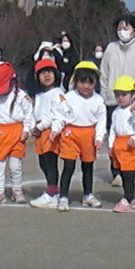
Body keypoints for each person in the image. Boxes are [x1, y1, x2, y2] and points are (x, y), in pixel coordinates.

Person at [51, 61, 107, 211]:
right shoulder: (68, 97)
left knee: (87, 166)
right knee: (68, 166)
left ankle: (88, 194)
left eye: (90, 82)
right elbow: (60, 115)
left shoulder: (98, 100)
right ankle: (63, 196)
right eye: (82, 82)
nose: (86, 86)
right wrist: (56, 129)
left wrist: (99, 137)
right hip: (70, 134)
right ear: (75, 81)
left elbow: (101, 121)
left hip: (89, 134)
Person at [0, 62, 33, 205]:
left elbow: (29, 115)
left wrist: (26, 130)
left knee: (15, 165)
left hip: (16, 132)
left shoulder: (21, 96)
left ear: (13, 81)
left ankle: (17, 191)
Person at [99, 13, 135, 126]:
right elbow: (104, 74)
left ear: (134, 30)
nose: (122, 31)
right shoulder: (111, 48)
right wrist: (104, 96)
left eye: (126, 28)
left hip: (134, 102)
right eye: (119, 29)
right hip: (112, 101)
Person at [29, 59, 67, 209]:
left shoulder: (57, 93)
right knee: (43, 163)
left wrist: (41, 126)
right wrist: (34, 126)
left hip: (50, 131)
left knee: (50, 162)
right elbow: (35, 112)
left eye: (49, 72)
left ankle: (52, 193)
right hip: (40, 132)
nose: (46, 75)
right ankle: (53, 191)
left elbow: (56, 114)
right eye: (42, 73)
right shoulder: (39, 95)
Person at [107, 76, 135, 212]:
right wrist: (111, 144)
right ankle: (129, 197)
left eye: (124, 95)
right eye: (117, 95)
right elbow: (113, 128)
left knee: (128, 172)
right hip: (119, 142)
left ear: (133, 94)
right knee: (121, 172)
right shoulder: (116, 111)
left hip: (131, 145)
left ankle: (128, 199)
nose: (120, 98)